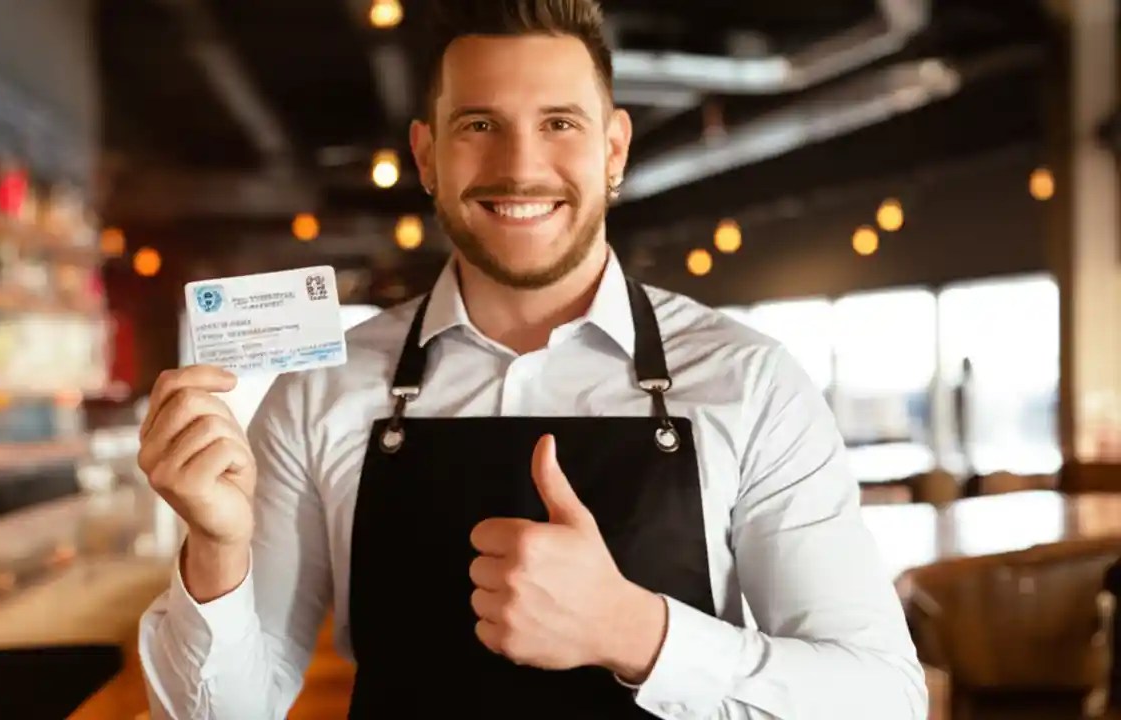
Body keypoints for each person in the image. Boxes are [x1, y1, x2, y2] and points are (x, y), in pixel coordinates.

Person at [136, 1, 927, 718]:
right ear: (427, 156)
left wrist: (637, 632)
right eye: (479, 124)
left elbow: (882, 698)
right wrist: (217, 548)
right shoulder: (321, 390)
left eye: (559, 123)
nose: (520, 166)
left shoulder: (750, 383)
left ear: (613, 148)